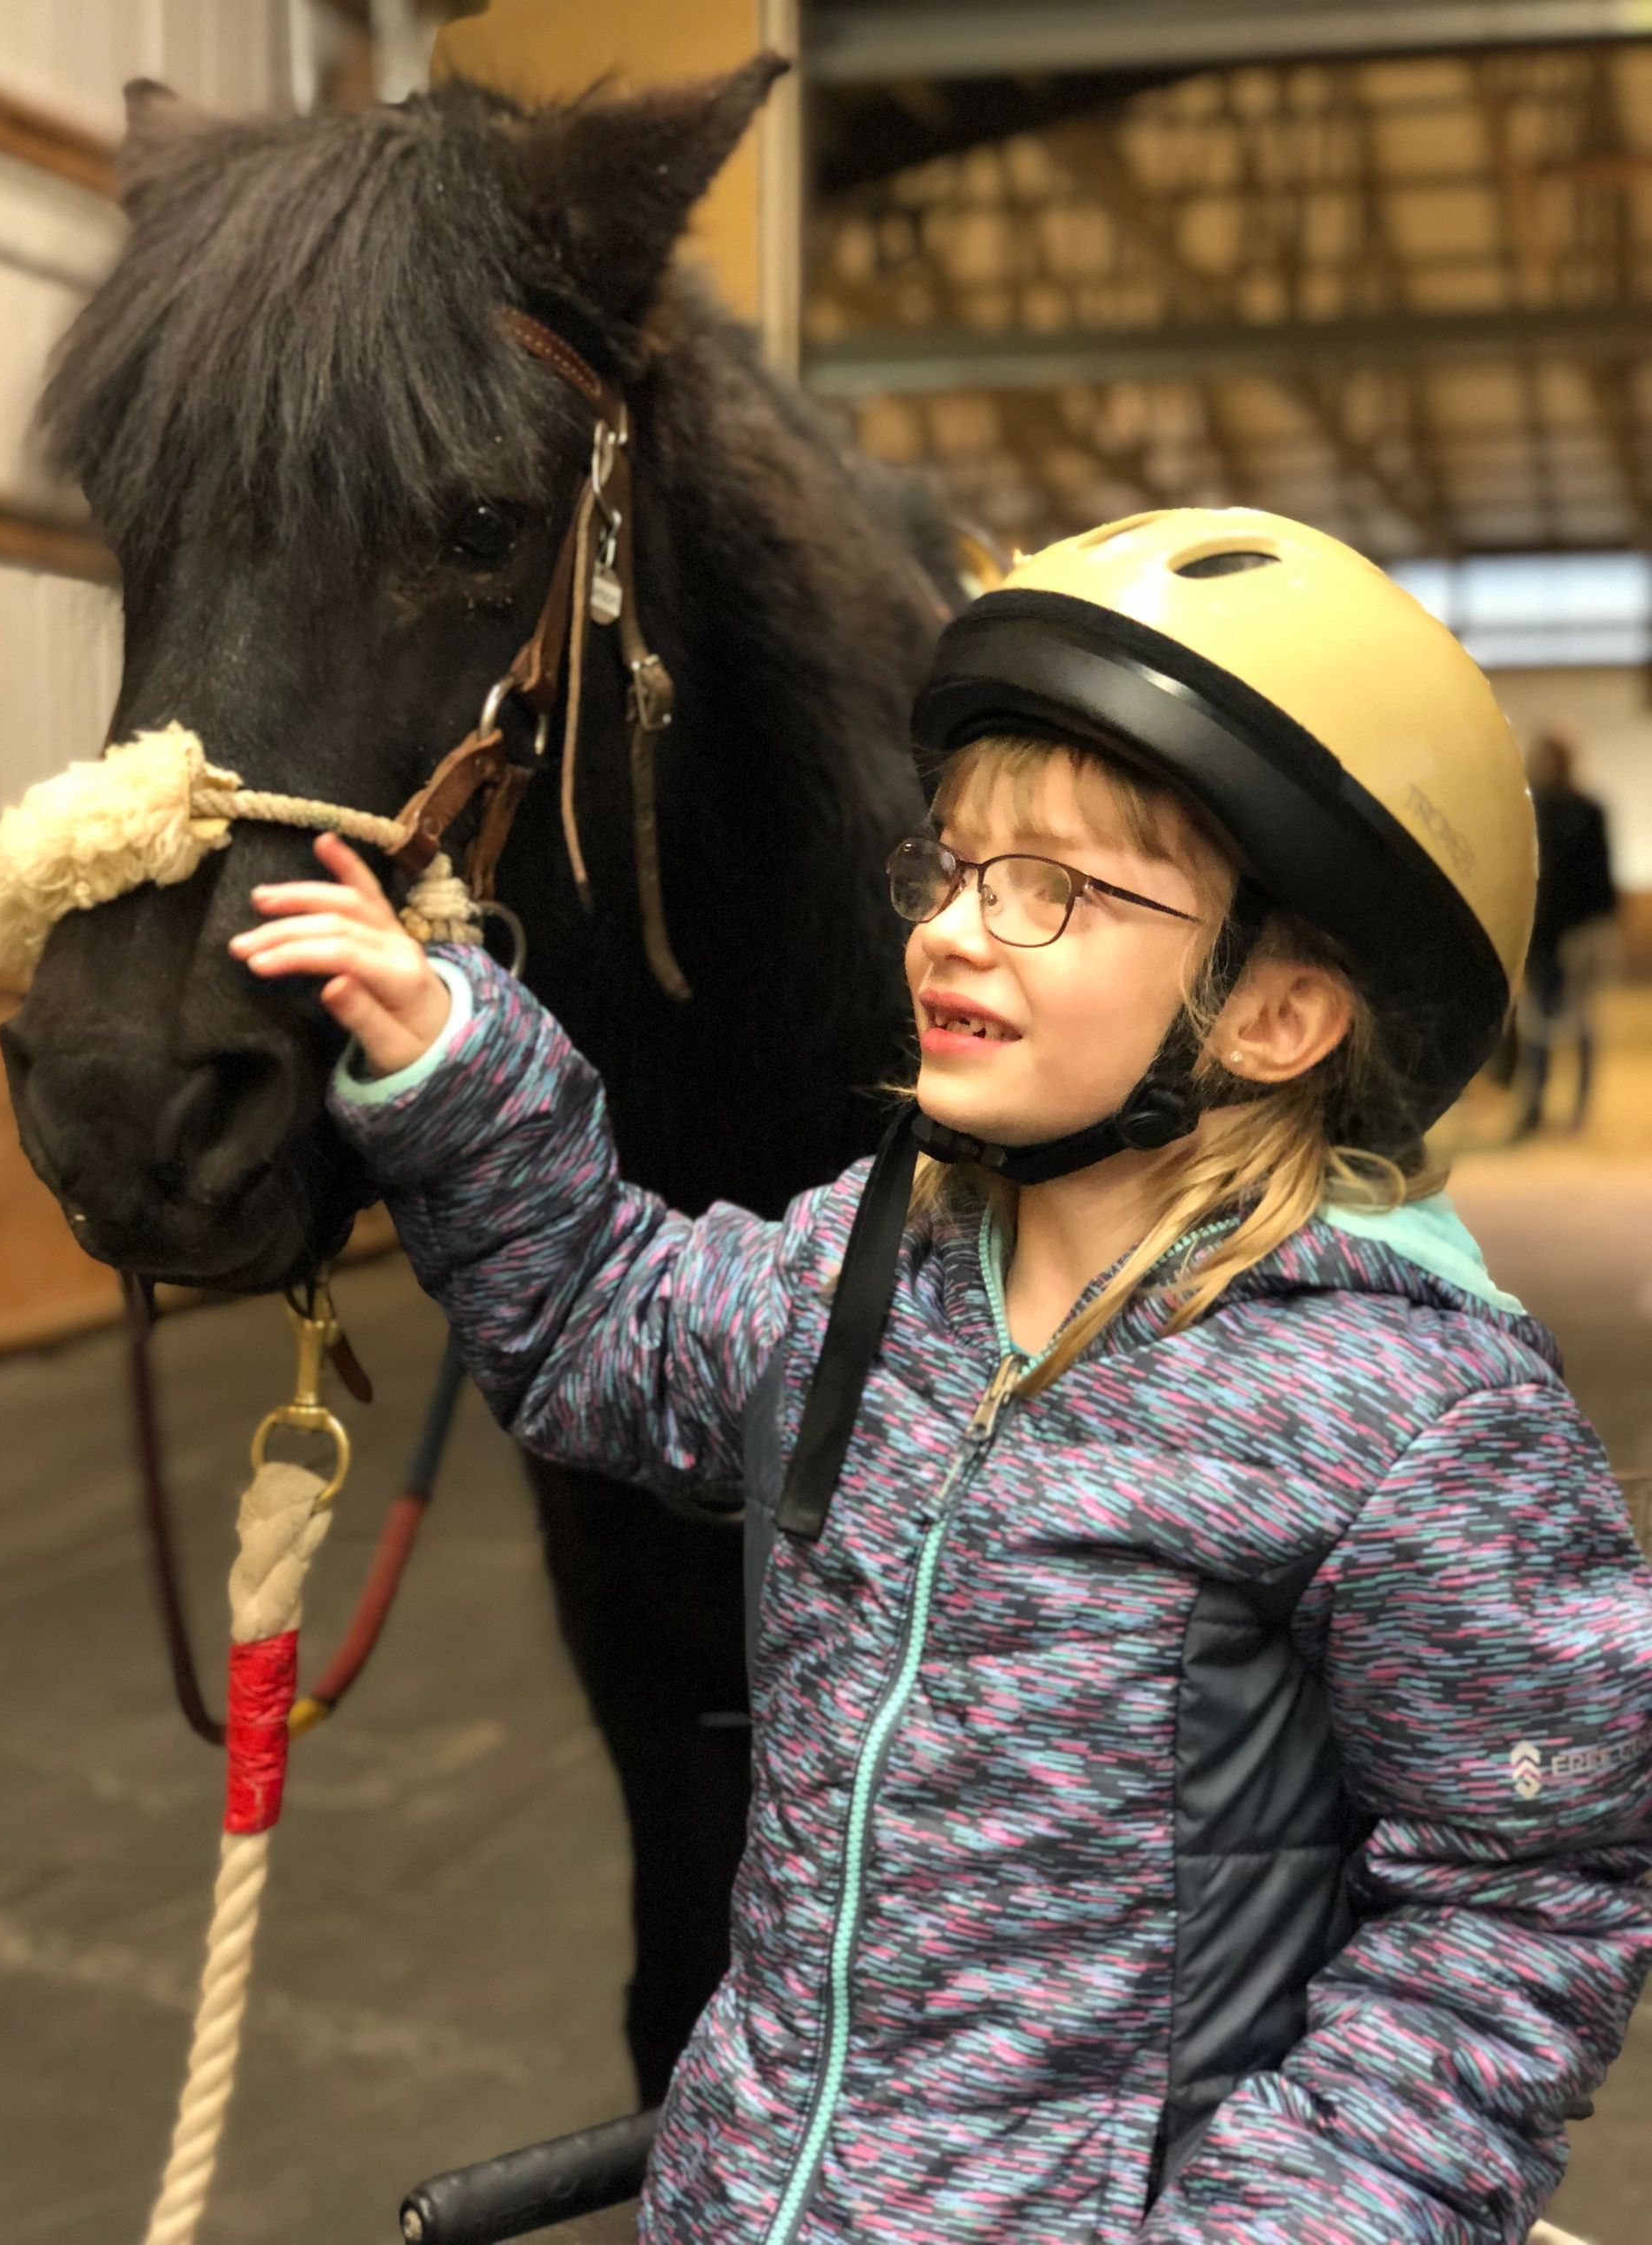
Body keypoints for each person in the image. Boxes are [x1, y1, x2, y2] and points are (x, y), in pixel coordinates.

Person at [230, 510, 1652, 2244]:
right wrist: (451, 1062)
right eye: (958, 867)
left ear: (1277, 1015)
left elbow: (1522, 1895)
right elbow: (613, 1323)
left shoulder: (1412, 1416)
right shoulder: (872, 1264)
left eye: (1057, 889)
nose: (961, 929)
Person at [1517, 727, 1619, 1135]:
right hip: (1540, 933)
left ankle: (1579, 1107)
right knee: (1536, 1023)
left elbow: (1600, 875)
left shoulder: (1588, 810)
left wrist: (1598, 929)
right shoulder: (1531, 810)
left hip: (1577, 933)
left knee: (1580, 1021)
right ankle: (1535, 1105)